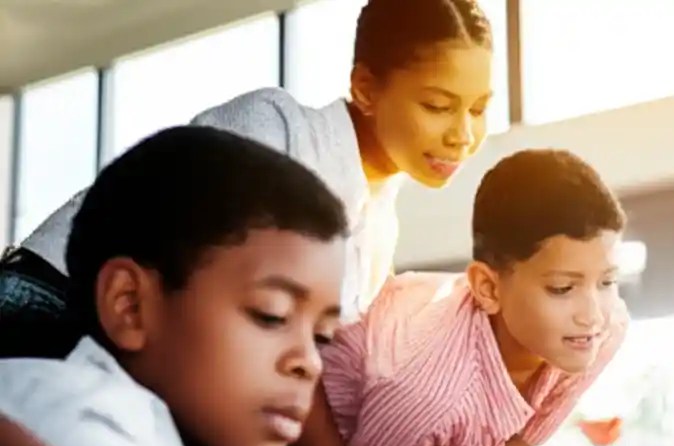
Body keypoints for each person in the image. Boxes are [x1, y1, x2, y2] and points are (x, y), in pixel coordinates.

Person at [0, 126, 656, 446]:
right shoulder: (66, 423)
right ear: (130, 304)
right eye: (271, 317)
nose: (308, 365)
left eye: (319, 335)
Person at [2, 0, 496, 352]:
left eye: (478, 109)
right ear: (365, 89)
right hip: (50, 302)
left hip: (120, 349)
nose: (463, 134)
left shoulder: (378, 228)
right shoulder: (276, 127)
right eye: (438, 106)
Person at [285, 149, 629, 446]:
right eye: (562, 288)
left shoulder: (603, 332)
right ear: (489, 289)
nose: (592, 315)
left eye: (607, 281)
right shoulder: (426, 388)